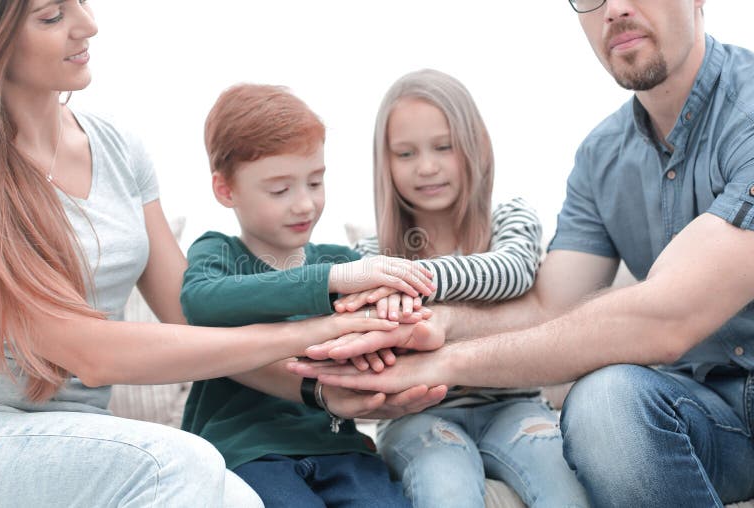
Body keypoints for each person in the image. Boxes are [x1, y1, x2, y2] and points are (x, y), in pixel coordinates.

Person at [0, 2, 437, 506]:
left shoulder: (117, 148)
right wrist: (322, 328)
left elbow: (189, 321)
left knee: (245, 501)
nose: (89, 25)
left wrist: (318, 390)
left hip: (83, 430)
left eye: (79, 2)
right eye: (52, 16)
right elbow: (90, 354)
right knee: (181, 464)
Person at [290, 1, 754, 505]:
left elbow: (669, 318)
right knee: (605, 404)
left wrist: (439, 361)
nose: (615, 8)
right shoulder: (601, 157)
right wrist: (439, 325)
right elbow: (547, 309)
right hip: (710, 415)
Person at [179, 83, 444, 508]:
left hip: (341, 447)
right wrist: (331, 280)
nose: (304, 204)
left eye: (315, 182)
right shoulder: (218, 252)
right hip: (248, 452)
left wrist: (397, 319)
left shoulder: (342, 261)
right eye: (280, 190)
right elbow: (203, 301)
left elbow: (386, 332)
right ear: (226, 190)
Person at [334, 69, 588, 508]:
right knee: (444, 487)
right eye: (406, 153)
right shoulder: (370, 254)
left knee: (565, 484)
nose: (427, 166)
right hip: (419, 416)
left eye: (443, 146)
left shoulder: (510, 218)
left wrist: (413, 280)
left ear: (476, 146)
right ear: (385, 162)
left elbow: (512, 272)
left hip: (516, 407)